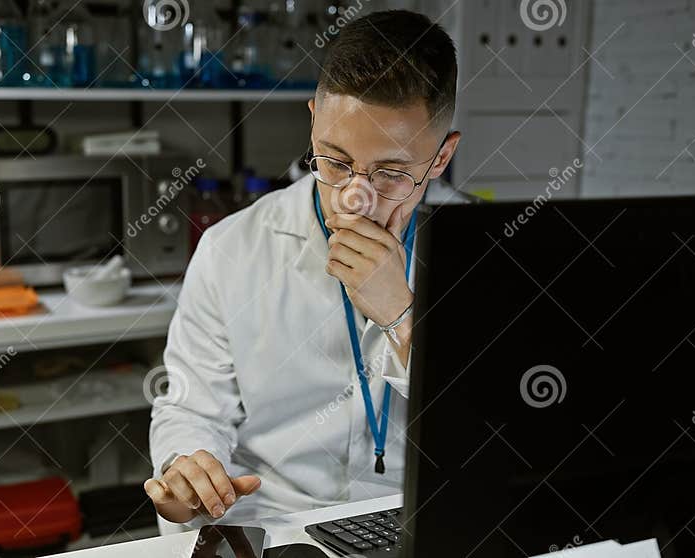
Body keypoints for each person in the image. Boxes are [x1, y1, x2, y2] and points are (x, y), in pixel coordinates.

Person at [144, 9, 463, 528]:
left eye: (391, 172)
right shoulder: (233, 248)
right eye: (335, 162)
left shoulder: (488, 250)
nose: (355, 199)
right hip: (273, 519)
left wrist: (401, 317)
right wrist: (186, 475)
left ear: (442, 156)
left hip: (421, 518)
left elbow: (497, 430)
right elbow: (192, 411)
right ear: (314, 121)